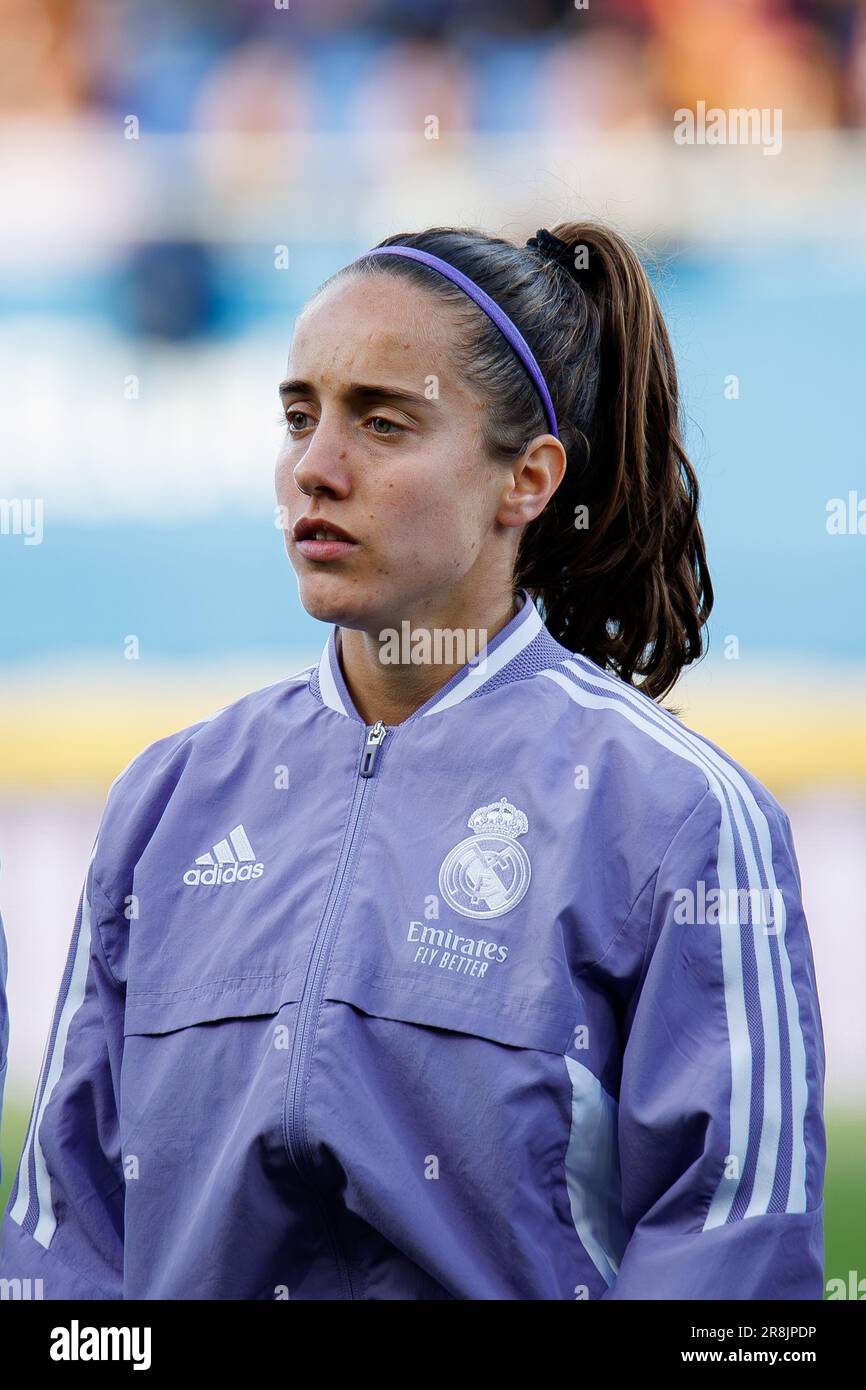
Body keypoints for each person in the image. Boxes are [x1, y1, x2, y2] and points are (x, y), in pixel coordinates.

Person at [0, 223, 826, 1299]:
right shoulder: (167, 799)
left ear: (524, 481)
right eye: (298, 417)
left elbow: (735, 1262)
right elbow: (65, 1247)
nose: (316, 468)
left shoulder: (674, 813)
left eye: (382, 423)